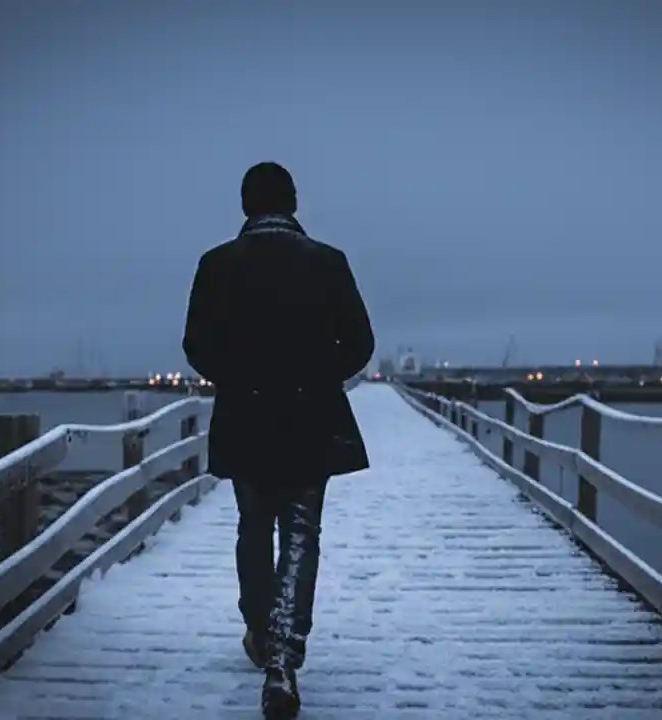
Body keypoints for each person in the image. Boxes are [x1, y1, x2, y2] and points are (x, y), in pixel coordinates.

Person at [182, 161, 375, 719]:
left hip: (246, 416)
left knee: (252, 525)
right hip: (310, 418)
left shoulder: (215, 264)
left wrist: (242, 381)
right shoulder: (327, 262)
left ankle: (260, 633)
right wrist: (315, 378)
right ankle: (284, 658)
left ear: (246, 206)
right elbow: (360, 343)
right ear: (292, 204)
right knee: (300, 534)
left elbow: (196, 345)